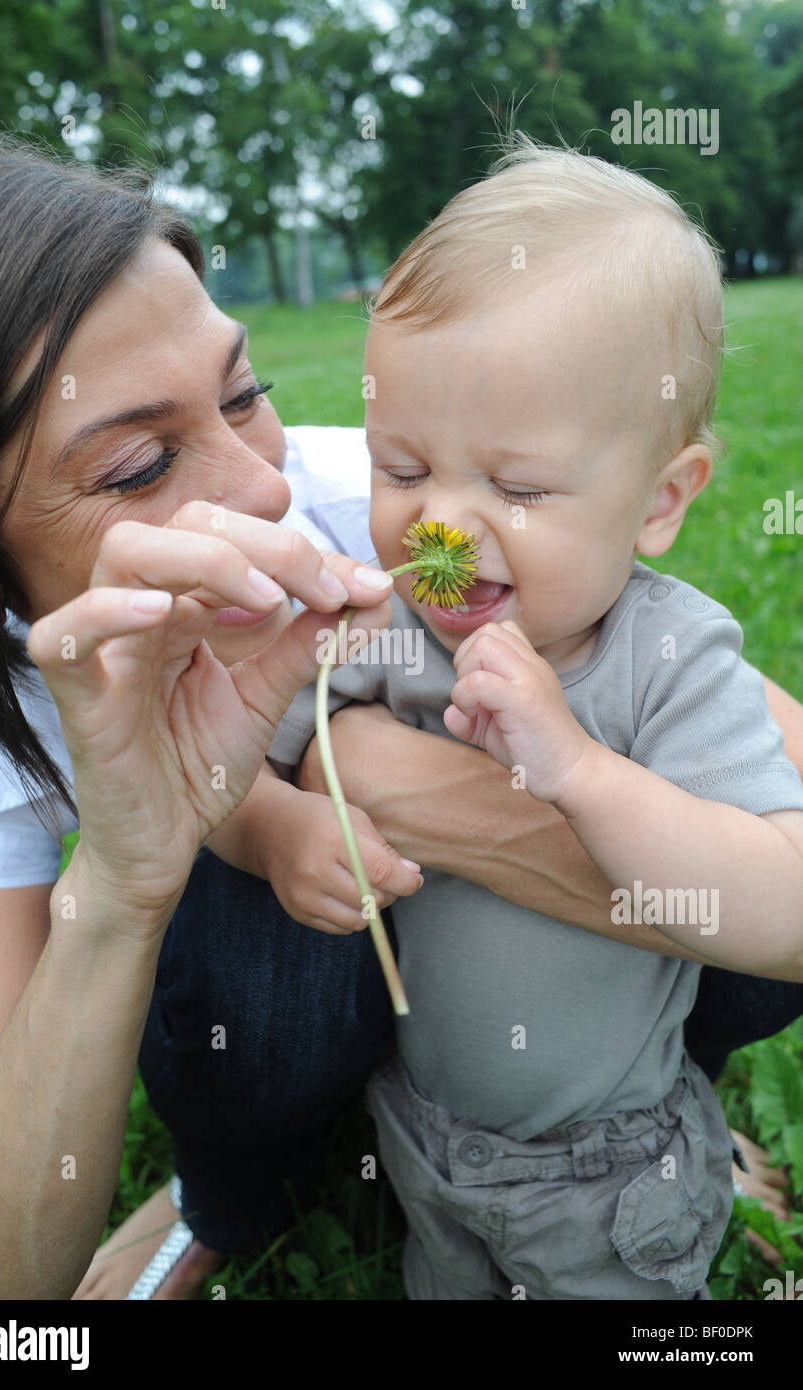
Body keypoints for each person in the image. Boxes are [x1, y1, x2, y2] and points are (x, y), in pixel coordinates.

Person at [0, 127, 800, 1302]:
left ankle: (671, 1103)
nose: (267, 492)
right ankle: (234, 1193)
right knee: (246, 953)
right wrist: (186, 853)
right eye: (140, 463)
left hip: (598, 1109)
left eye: (247, 394)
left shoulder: (467, 557)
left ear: (660, 499)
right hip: (427, 1103)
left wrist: (499, 780)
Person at [255, 140, 803, 1299]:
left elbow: (785, 907)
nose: (440, 527)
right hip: (423, 1130)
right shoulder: (394, 627)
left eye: (515, 487)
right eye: (402, 467)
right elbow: (240, 755)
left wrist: (575, 767)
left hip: (609, 1173)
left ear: (659, 499)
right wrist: (273, 822)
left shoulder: (668, 658)